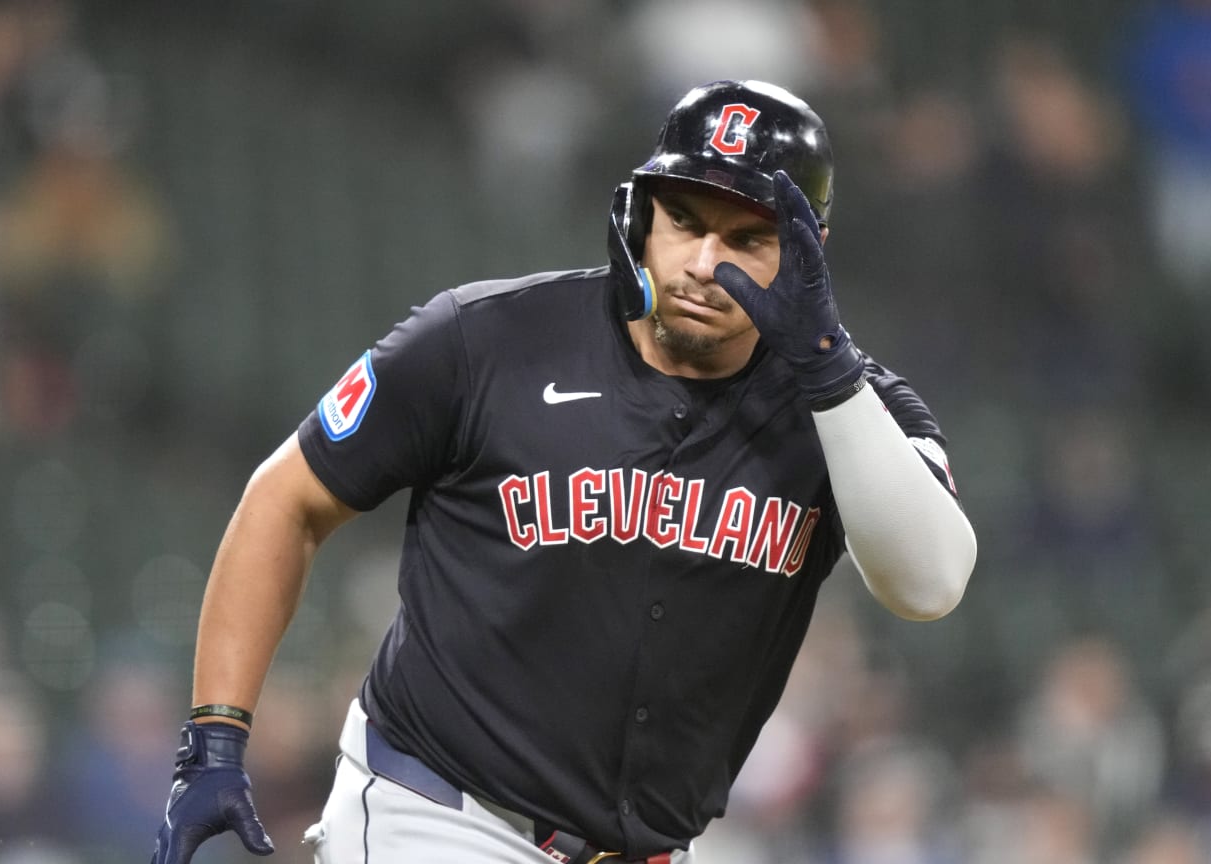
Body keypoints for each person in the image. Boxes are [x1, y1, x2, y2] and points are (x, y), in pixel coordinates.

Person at [148, 79, 977, 864]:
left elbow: (929, 584)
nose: (702, 262)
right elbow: (288, 496)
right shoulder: (485, 340)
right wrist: (216, 735)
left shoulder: (851, 408)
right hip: (438, 818)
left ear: (808, 255)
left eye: (749, 238)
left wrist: (829, 371)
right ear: (639, 214)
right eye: (684, 219)